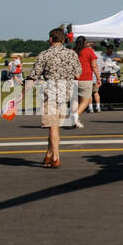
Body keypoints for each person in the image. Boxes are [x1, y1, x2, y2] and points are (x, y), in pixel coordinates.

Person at [23, 28, 81, 168]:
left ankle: (56, 157)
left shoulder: (44, 55)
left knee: (52, 127)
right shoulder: (71, 54)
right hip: (65, 93)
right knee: (55, 127)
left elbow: (33, 76)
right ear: (63, 39)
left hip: (50, 93)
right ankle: (49, 154)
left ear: (50, 39)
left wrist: (22, 96)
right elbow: (78, 74)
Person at [72, 36, 99, 128]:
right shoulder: (89, 51)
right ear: (85, 43)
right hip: (86, 78)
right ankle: (75, 115)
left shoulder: (72, 51)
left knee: (78, 100)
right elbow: (94, 66)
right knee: (86, 100)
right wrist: (98, 78)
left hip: (74, 78)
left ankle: (76, 119)